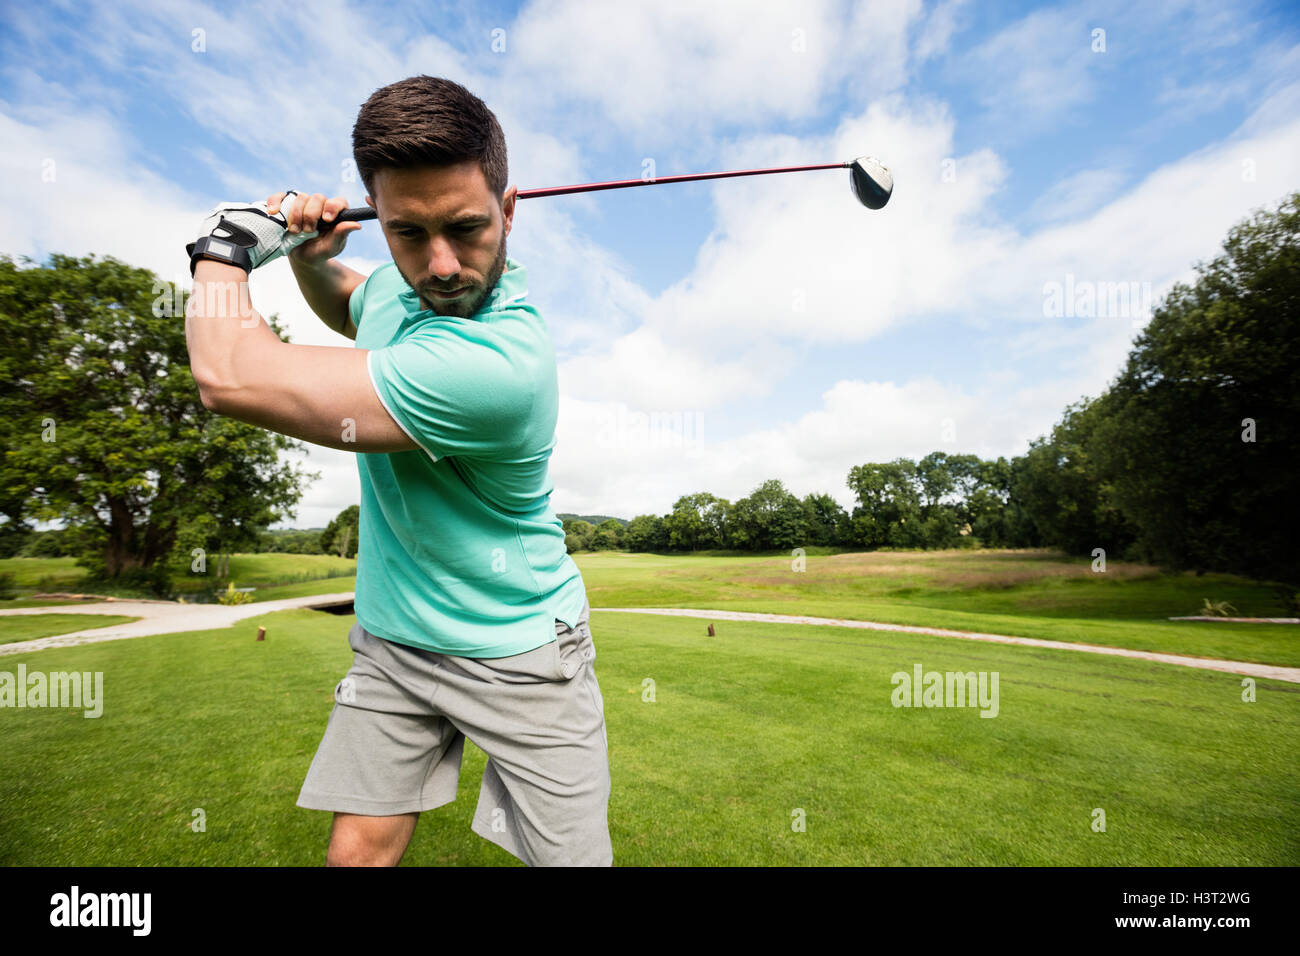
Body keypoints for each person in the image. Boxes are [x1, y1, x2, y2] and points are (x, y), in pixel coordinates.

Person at [183, 75, 611, 867]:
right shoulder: (397, 288)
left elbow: (230, 376)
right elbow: (355, 301)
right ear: (378, 219)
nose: (442, 265)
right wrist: (314, 261)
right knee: (356, 856)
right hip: (395, 639)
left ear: (508, 210)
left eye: (468, 228)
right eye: (408, 233)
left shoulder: (500, 368)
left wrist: (223, 247)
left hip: (518, 648)